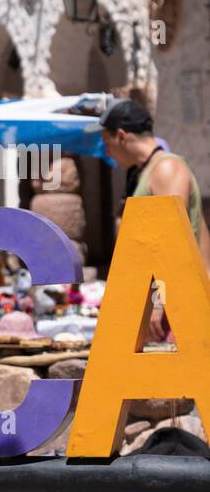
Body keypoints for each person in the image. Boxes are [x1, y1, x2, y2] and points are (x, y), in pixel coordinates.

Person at [102, 98, 210, 341]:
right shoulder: (145, 172)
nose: (106, 152)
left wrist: (159, 302)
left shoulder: (166, 169)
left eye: (106, 143)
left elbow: (169, 241)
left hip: (176, 309)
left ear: (121, 135)